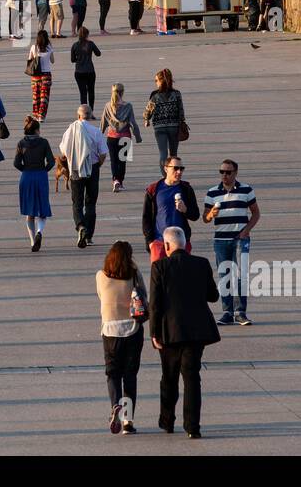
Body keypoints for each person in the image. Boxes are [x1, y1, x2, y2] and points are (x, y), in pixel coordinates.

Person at [148, 226, 221, 439]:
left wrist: (153, 333)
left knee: (169, 378)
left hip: (169, 331)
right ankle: (193, 426)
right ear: (185, 245)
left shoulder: (159, 267)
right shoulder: (202, 264)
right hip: (197, 331)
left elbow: (155, 304)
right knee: (191, 378)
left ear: (168, 246)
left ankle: (167, 421)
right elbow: (213, 296)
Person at [96, 241, 146, 435]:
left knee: (113, 374)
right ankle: (127, 421)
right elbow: (144, 296)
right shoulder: (133, 275)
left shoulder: (101, 276)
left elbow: (101, 296)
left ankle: (115, 405)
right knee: (130, 376)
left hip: (110, 331)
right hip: (132, 330)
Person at [203, 159, 260, 325]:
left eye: (228, 172)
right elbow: (205, 218)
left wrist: (246, 230)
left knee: (241, 275)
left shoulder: (246, 189)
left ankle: (240, 312)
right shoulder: (212, 192)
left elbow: (256, 213)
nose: (224, 176)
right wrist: (211, 214)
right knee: (225, 275)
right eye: (221, 172)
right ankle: (227, 312)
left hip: (240, 239)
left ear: (235, 173)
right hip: (221, 240)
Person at [60, 105, 108, 249]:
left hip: (75, 168)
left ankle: (80, 226)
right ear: (90, 115)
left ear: (78, 115)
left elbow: (63, 151)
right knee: (91, 203)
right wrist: (98, 165)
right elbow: (103, 153)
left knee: (77, 202)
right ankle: (89, 236)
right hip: (92, 168)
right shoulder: (96, 131)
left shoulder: (70, 130)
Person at [141, 155, 198, 262]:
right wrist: (150, 242)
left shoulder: (186, 189)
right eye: (175, 168)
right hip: (159, 242)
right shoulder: (154, 189)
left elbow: (195, 215)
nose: (179, 172)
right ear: (166, 168)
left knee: (181, 277)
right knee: (159, 276)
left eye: (182, 169)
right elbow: (146, 217)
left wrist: (185, 210)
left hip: (181, 243)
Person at [13, 116, 54, 251]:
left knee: (29, 212)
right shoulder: (44, 143)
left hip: (27, 177)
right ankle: (39, 232)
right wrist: (44, 170)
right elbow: (52, 162)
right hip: (41, 176)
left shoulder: (21, 143)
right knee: (42, 210)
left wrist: (25, 170)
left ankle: (32, 241)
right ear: (36, 130)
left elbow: (16, 163)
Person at [100, 83, 142, 193]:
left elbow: (103, 122)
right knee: (122, 161)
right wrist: (138, 136)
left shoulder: (108, 105)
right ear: (122, 92)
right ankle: (120, 182)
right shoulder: (128, 106)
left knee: (113, 161)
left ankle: (115, 180)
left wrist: (99, 136)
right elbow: (133, 122)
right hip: (125, 137)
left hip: (111, 137)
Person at [143, 68, 186, 171]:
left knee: (163, 153)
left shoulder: (155, 95)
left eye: (156, 80)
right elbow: (181, 110)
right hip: (174, 126)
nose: (155, 83)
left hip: (159, 127)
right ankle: (174, 172)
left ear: (161, 81)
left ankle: (165, 175)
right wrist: (182, 121)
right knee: (173, 153)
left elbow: (148, 110)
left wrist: (146, 119)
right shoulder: (176, 94)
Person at [70, 26, 102, 111]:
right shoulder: (90, 44)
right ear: (87, 34)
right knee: (91, 92)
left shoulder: (75, 45)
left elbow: (72, 60)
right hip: (90, 71)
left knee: (83, 92)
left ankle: (84, 112)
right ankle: (91, 111)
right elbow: (98, 53)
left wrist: (79, 58)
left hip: (79, 71)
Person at [27, 29, 54, 122]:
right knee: (44, 97)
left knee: (36, 96)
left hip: (36, 75)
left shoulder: (34, 47)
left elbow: (29, 59)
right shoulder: (49, 47)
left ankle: (35, 114)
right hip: (46, 75)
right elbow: (52, 60)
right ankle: (41, 116)